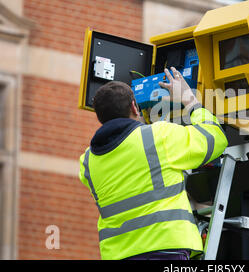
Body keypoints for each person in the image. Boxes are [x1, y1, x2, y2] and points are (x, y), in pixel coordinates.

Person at [78, 67, 228, 260]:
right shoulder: (159, 137)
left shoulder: (87, 163)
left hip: (119, 254)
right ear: (134, 107)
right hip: (165, 249)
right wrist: (189, 99)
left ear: (100, 117)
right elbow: (215, 138)